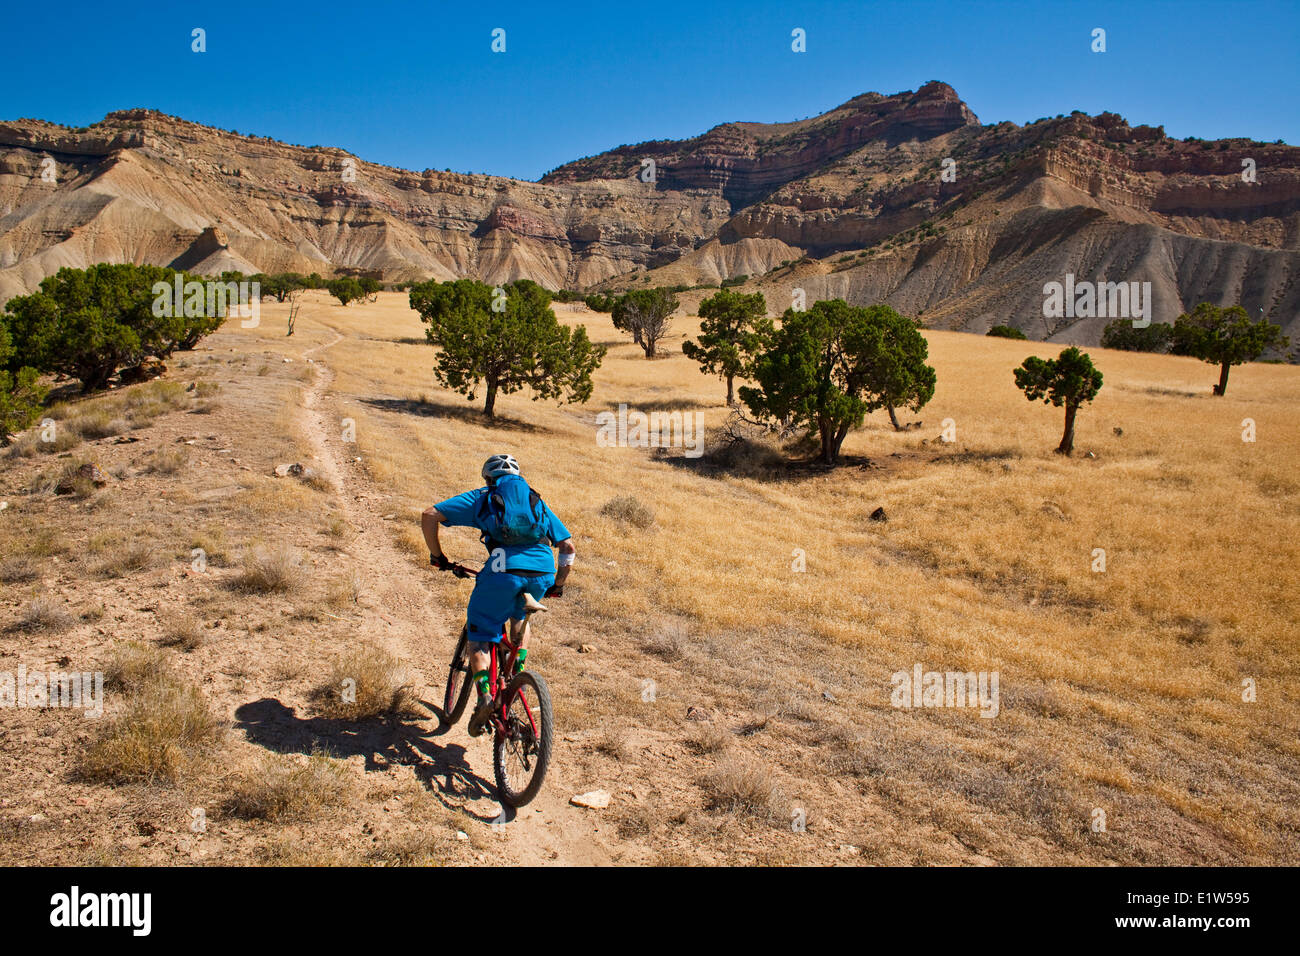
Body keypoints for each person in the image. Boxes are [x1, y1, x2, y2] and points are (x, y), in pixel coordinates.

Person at [422, 454, 575, 736]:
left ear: (488, 478)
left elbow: (429, 515)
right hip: (542, 570)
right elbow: (567, 546)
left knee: (480, 633)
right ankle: (516, 673)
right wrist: (559, 583)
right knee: (519, 616)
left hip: (503, 568)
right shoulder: (535, 500)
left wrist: (438, 556)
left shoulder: (484, 496)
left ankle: (484, 696)